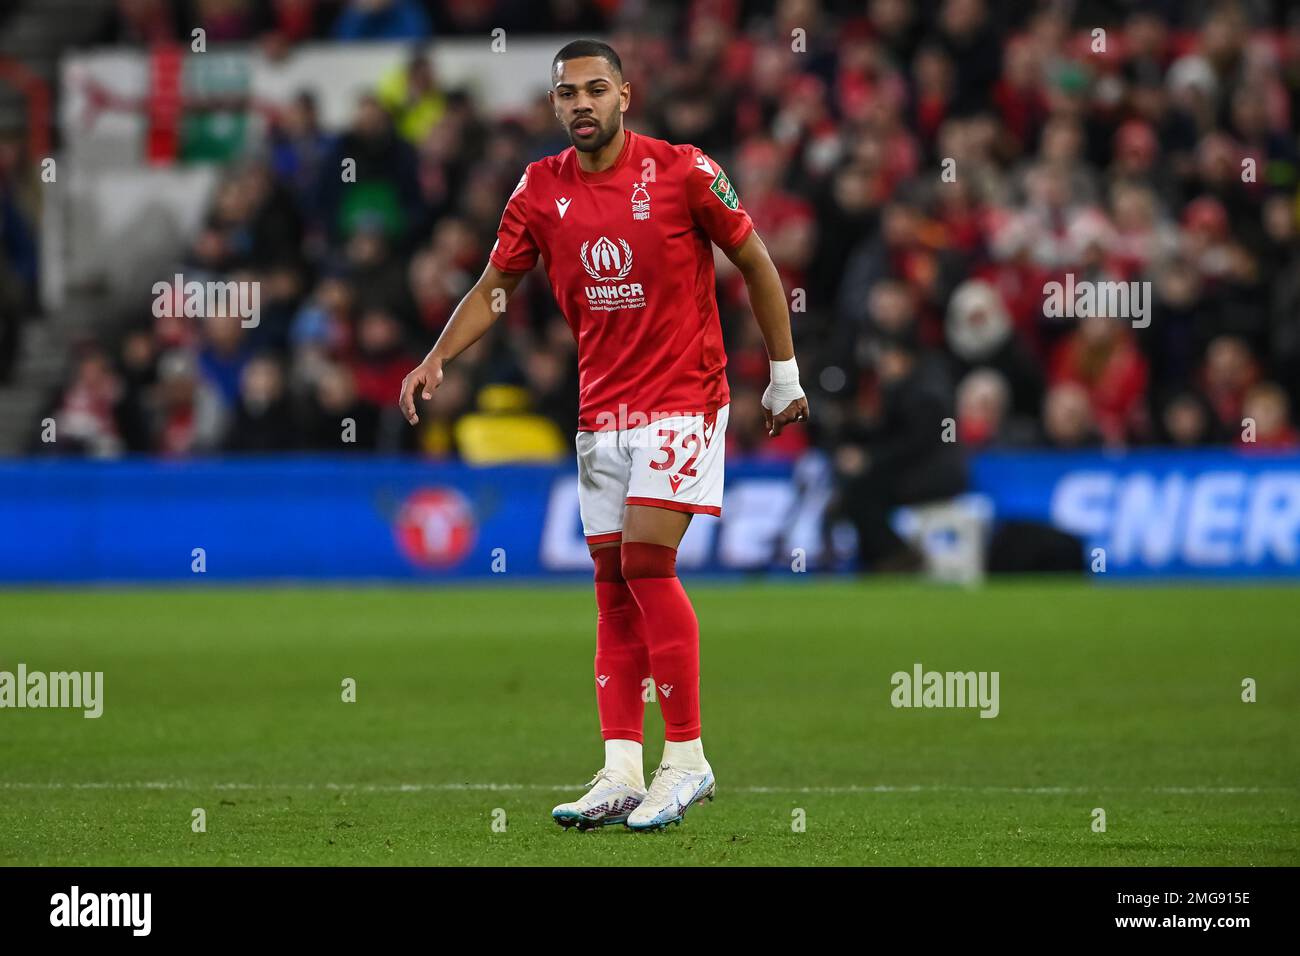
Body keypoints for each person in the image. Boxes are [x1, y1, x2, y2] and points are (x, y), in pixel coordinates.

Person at [397, 40, 808, 831]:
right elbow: (494, 288)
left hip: (685, 398)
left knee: (649, 564)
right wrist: (436, 358)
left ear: (626, 94)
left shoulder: (685, 171)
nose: (580, 104)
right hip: (602, 413)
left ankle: (685, 760)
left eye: (595, 89)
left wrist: (784, 374)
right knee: (612, 589)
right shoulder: (540, 189)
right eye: (566, 94)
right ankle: (621, 767)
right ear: (553, 106)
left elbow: (756, 262)